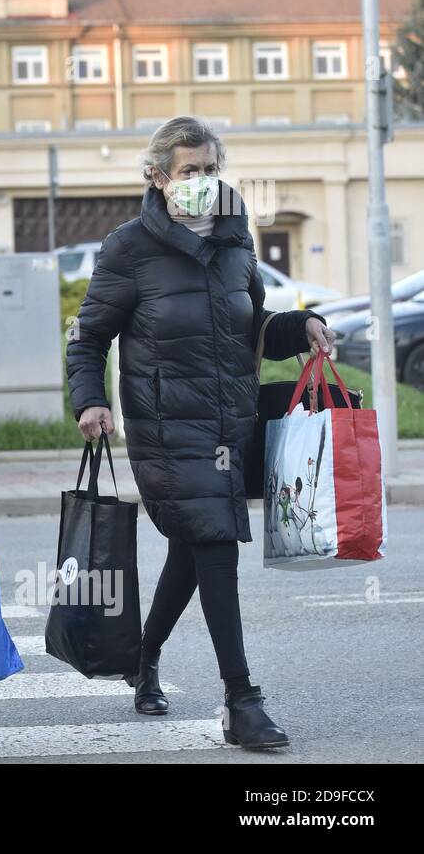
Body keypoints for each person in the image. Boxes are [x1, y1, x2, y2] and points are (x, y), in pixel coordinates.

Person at [67, 115, 337, 750]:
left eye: (212, 169)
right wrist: (89, 400)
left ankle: (143, 659)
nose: (204, 182)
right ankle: (242, 699)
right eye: (190, 171)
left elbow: (256, 328)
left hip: (230, 423)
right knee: (214, 544)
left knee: (194, 551)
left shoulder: (236, 242)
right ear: (159, 178)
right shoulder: (128, 248)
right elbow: (88, 338)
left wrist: (305, 327)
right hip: (165, 432)